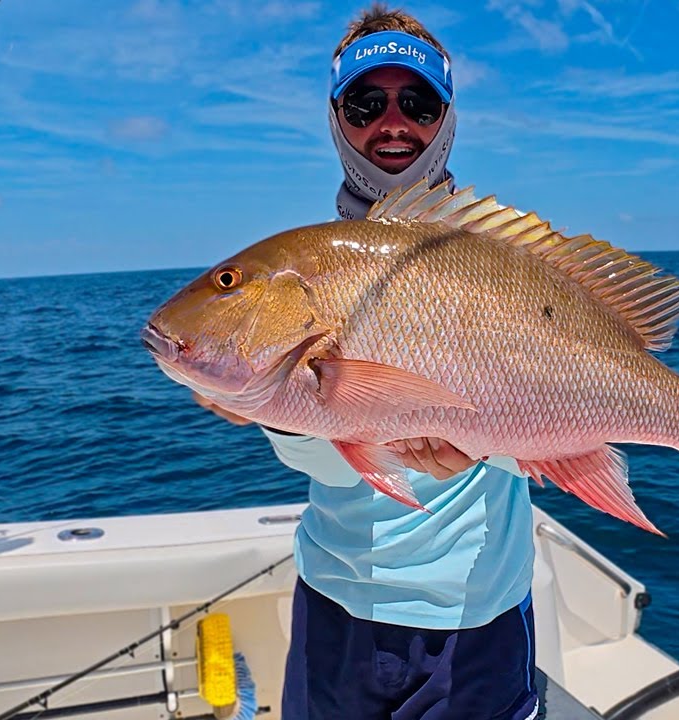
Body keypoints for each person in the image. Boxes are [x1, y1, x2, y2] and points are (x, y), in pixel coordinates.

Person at [201, 5, 540, 720]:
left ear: (447, 118)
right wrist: (278, 405)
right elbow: (330, 466)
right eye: (366, 103)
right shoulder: (309, 264)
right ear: (337, 118)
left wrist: (483, 449)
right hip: (336, 600)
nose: (393, 123)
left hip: (475, 613)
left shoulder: (508, 262)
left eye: (418, 103)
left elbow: (542, 423)